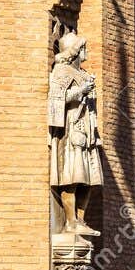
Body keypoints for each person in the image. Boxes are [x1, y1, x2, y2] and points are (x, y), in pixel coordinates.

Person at [49, 31, 104, 233]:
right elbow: (57, 99)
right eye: (83, 49)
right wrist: (82, 90)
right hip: (72, 131)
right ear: (75, 51)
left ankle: (81, 220)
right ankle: (70, 221)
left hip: (87, 131)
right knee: (72, 176)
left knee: (88, 180)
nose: (86, 53)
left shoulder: (82, 73)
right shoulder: (62, 72)